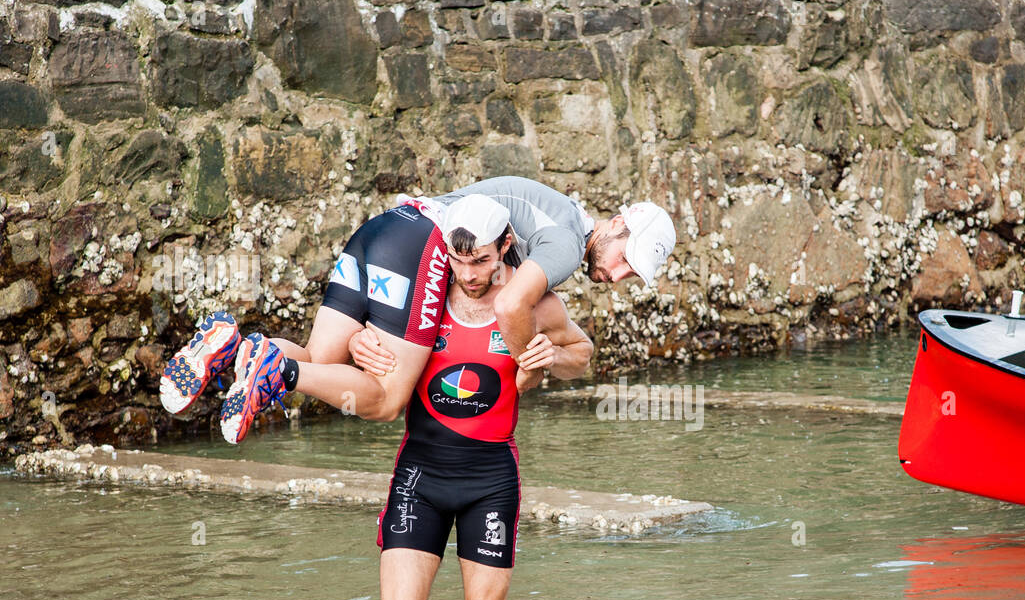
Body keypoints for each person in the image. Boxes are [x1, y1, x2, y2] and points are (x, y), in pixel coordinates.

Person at [158, 177, 676, 442]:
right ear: (614, 223)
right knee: (385, 400)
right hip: (425, 247)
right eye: (625, 260)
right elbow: (514, 302)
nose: (620, 275)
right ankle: (283, 371)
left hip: (386, 227)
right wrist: (527, 363)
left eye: (634, 274)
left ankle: (235, 345)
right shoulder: (564, 243)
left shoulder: (554, 210)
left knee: (324, 356)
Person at [361, 194, 593, 600]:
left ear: (504, 249)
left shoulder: (529, 302)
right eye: (459, 261)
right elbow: (364, 342)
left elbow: (581, 354)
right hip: (422, 467)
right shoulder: (425, 294)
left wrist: (551, 357)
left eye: (481, 261)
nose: (468, 274)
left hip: (490, 476)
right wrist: (362, 342)